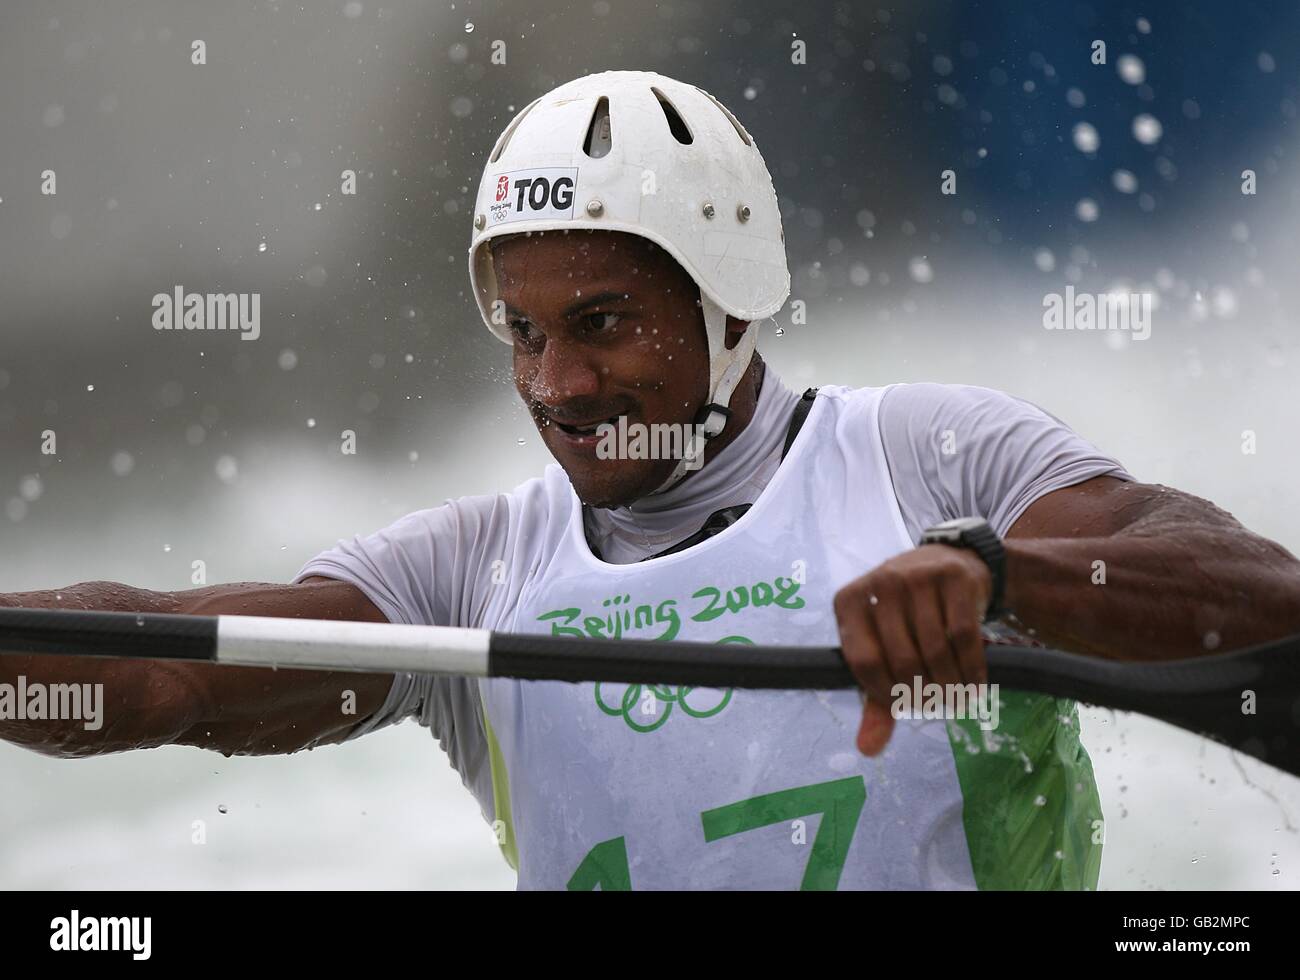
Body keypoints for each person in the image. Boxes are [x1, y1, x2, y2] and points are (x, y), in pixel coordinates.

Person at [3, 71, 1298, 890]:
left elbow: (1260, 600)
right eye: (522, 332)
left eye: (605, 322)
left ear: (730, 301)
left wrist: (1002, 575)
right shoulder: (465, 577)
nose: (555, 384)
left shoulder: (925, 458)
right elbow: (157, 673)